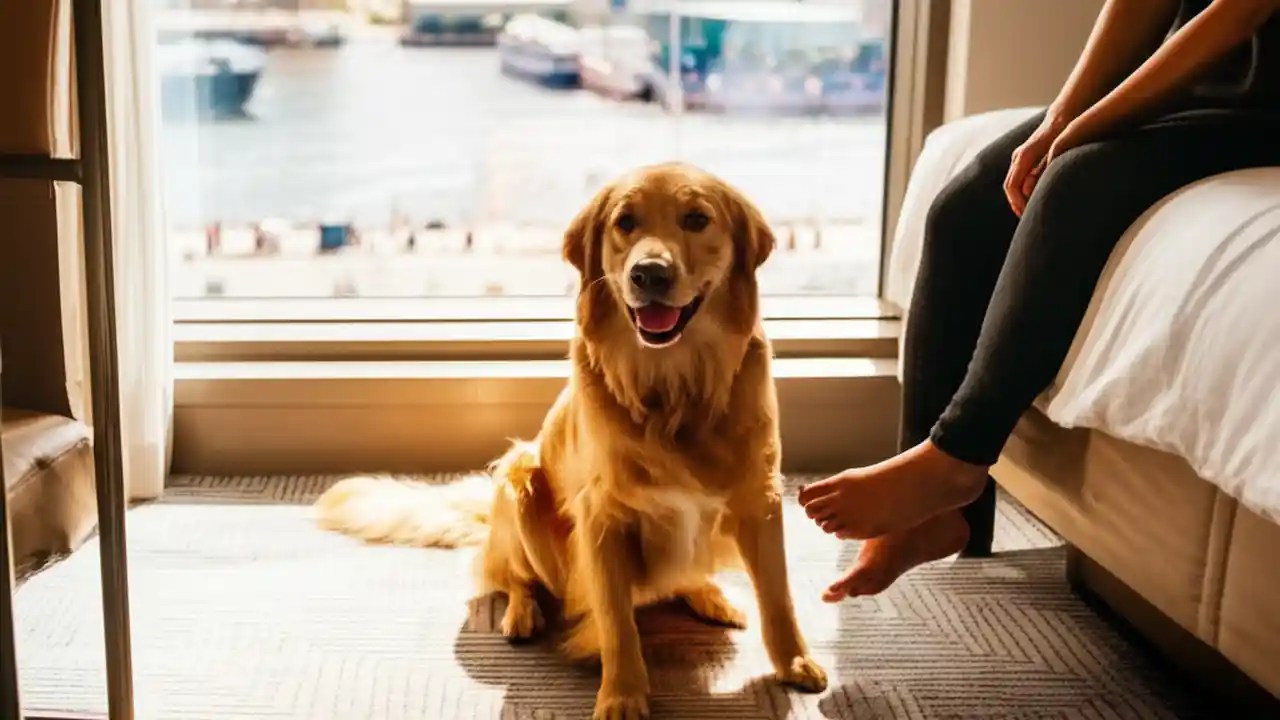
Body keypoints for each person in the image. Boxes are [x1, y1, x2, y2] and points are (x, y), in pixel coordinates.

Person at [799, 0, 1280, 603]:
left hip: (1267, 100)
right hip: (1203, 85)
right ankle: (933, 515)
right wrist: (1060, 116)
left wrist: (1086, 131)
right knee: (967, 209)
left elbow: (1240, 11)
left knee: (1073, 179)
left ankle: (956, 459)